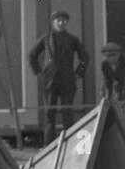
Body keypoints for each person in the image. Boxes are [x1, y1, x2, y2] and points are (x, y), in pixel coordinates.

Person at [28, 10, 88, 144]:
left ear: (67, 23)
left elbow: (85, 58)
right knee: (49, 114)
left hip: (67, 81)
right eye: (58, 20)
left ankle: (70, 144)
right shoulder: (45, 39)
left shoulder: (73, 40)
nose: (61, 23)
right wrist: (39, 72)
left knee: (67, 113)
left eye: (64, 21)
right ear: (53, 22)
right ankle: (48, 147)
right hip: (49, 82)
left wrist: (78, 74)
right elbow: (31, 55)